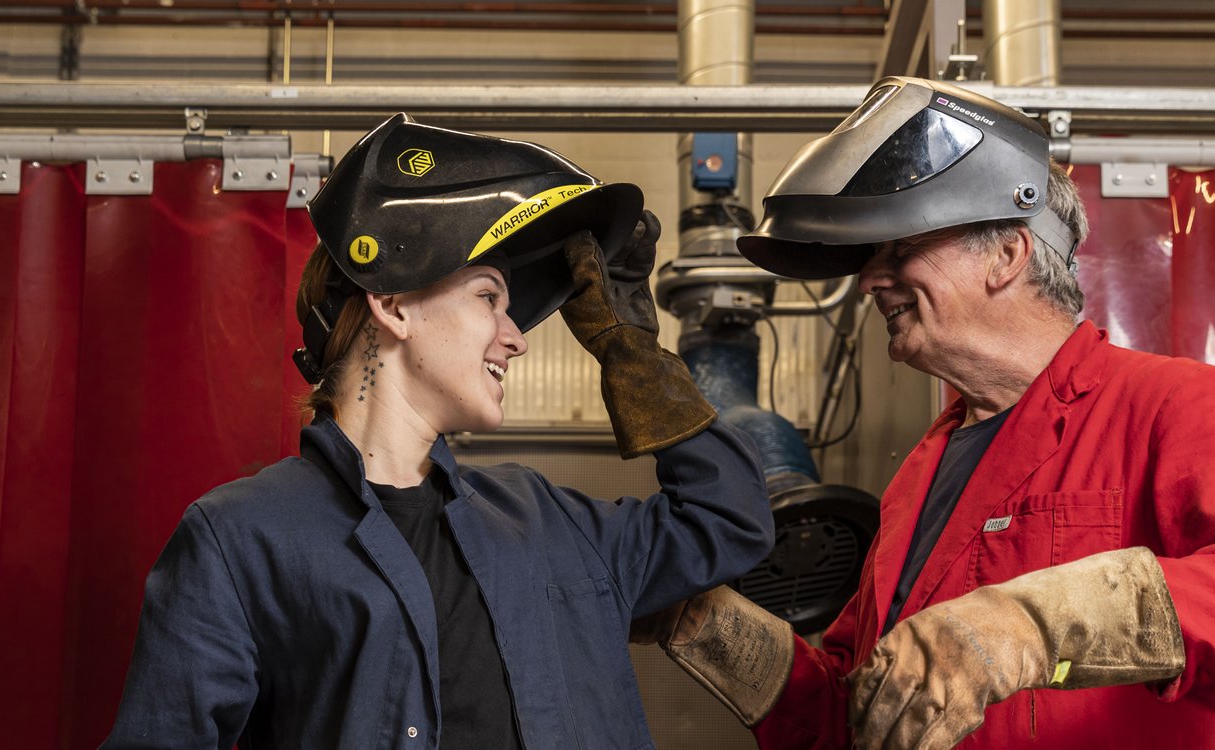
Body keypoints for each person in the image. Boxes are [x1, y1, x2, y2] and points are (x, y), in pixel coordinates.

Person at [632, 77, 1215, 750]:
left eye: (900, 248)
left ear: (1007, 252)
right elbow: (860, 713)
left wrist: (1034, 623)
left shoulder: (1164, 402)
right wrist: (701, 622)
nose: (872, 282)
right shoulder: (919, 476)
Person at [101, 114, 775, 749]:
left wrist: (630, 349)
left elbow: (728, 521)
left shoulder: (550, 520)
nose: (516, 340)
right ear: (392, 303)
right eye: (489, 298)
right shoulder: (241, 541)